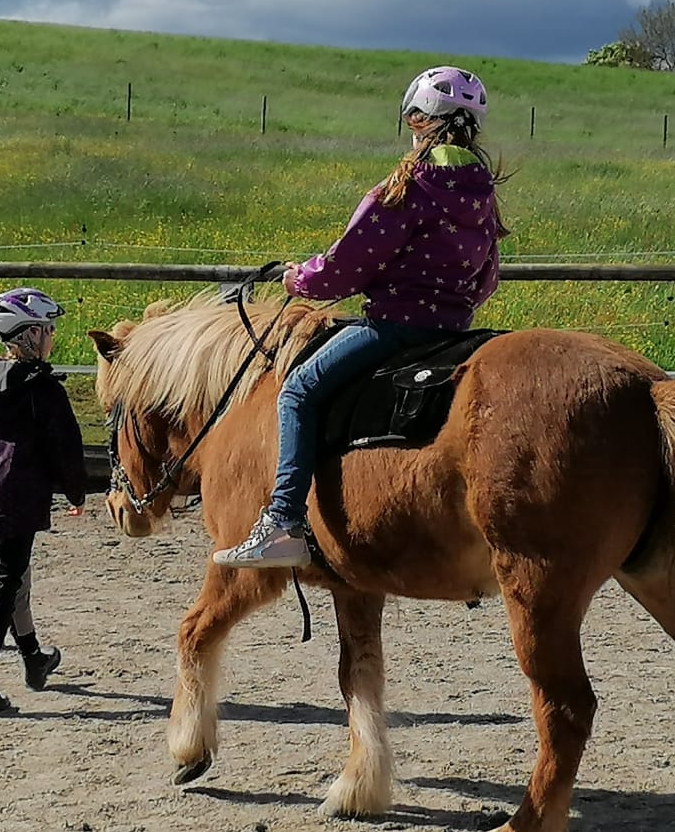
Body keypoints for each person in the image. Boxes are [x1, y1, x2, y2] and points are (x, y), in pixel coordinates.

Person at [214, 65, 509, 569]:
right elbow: (487, 278)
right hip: (456, 333)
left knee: (299, 390)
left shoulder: (406, 188)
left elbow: (344, 266)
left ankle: (283, 520)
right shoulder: (483, 196)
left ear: (419, 121)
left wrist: (297, 281)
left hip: (393, 328)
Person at [0, 287, 88, 713]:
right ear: (27, 336)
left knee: (14, 577)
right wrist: (76, 492)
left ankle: (33, 659)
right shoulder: (41, 389)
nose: (53, 337)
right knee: (8, 581)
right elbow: (66, 445)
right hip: (16, 491)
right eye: (47, 330)